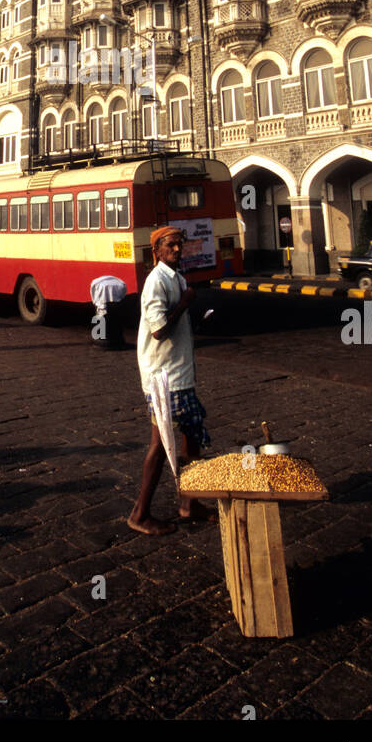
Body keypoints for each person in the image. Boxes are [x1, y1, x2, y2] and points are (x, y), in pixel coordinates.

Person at [129, 226, 213, 536]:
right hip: (163, 377)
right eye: (171, 245)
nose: (177, 250)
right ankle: (140, 513)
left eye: (180, 245)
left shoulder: (175, 277)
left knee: (191, 438)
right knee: (159, 444)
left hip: (180, 375)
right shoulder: (156, 282)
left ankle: (189, 503)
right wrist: (185, 303)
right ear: (157, 250)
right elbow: (159, 329)